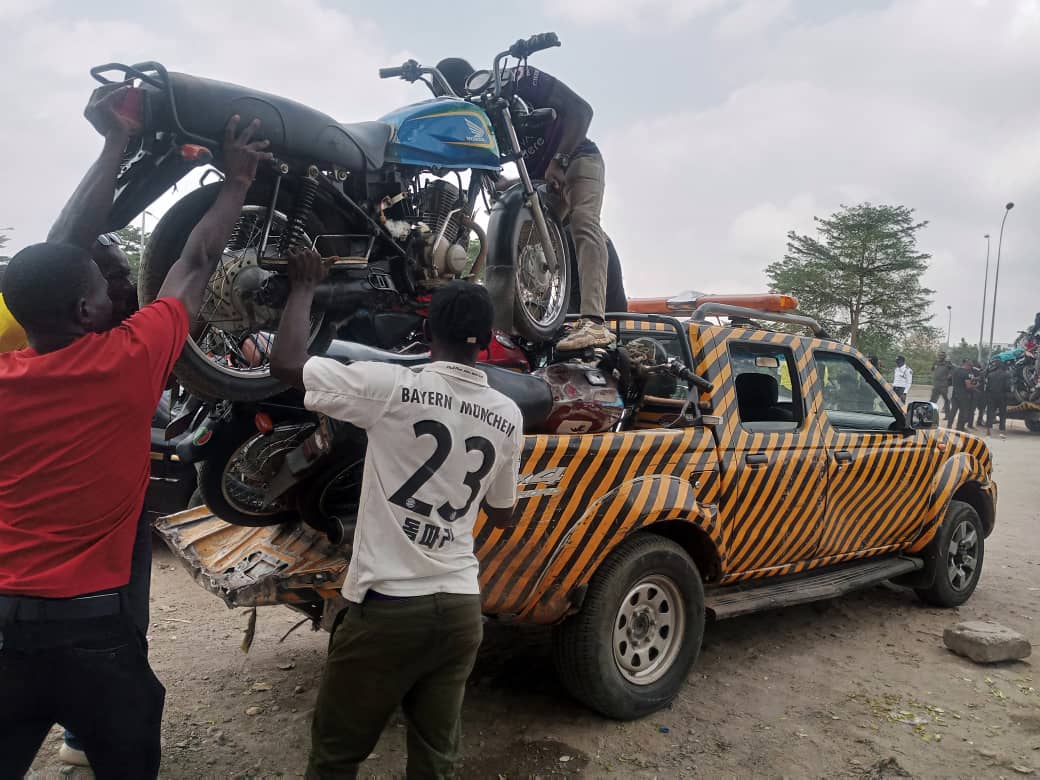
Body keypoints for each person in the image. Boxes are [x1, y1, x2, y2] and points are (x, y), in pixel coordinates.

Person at [0, 85, 272, 778]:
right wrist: (238, 179)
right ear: (88, 305)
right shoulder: (129, 359)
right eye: (107, 281)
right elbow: (197, 261)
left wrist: (115, 143)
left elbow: (61, 251)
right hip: (93, 632)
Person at [270, 258, 523, 778]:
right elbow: (503, 516)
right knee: (435, 759)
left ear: (429, 331)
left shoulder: (393, 388)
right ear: (486, 340)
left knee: (336, 757)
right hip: (460, 610)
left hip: (388, 610)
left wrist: (303, 288)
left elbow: (286, 364)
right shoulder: (508, 415)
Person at [437, 57, 614, 351]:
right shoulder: (474, 121)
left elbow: (582, 111)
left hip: (577, 158)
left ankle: (594, 323)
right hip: (538, 179)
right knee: (515, 238)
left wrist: (560, 160)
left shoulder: (516, 77)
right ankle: (510, 329)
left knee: (584, 221)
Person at [984, 359, 1010, 438]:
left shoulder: (990, 375)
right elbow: (1007, 387)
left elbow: (987, 387)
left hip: (991, 396)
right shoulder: (1006, 375)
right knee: (1002, 414)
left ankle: (988, 432)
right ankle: (1002, 432)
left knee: (990, 413)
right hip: (1002, 396)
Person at [950, 357, 977, 431]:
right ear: (967, 364)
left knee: (953, 411)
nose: (972, 365)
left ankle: (949, 426)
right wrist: (976, 385)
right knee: (963, 412)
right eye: (971, 363)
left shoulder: (956, 370)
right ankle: (960, 427)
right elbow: (968, 386)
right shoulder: (967, 372)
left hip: (955, 393)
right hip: (964, 395)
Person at [931, 351, 954, 419]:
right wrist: (933, 374)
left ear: (945, 356)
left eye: (942, 355)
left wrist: (950, 375)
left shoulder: (948, 363)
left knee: (946, 401)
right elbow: (932, 369)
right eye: (939, 355)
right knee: (932, 400)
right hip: (936, 385)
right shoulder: (936, 362)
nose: (941, 356)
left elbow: (953, 370)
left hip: (944, 385)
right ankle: (930, 415)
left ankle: (947, 415)